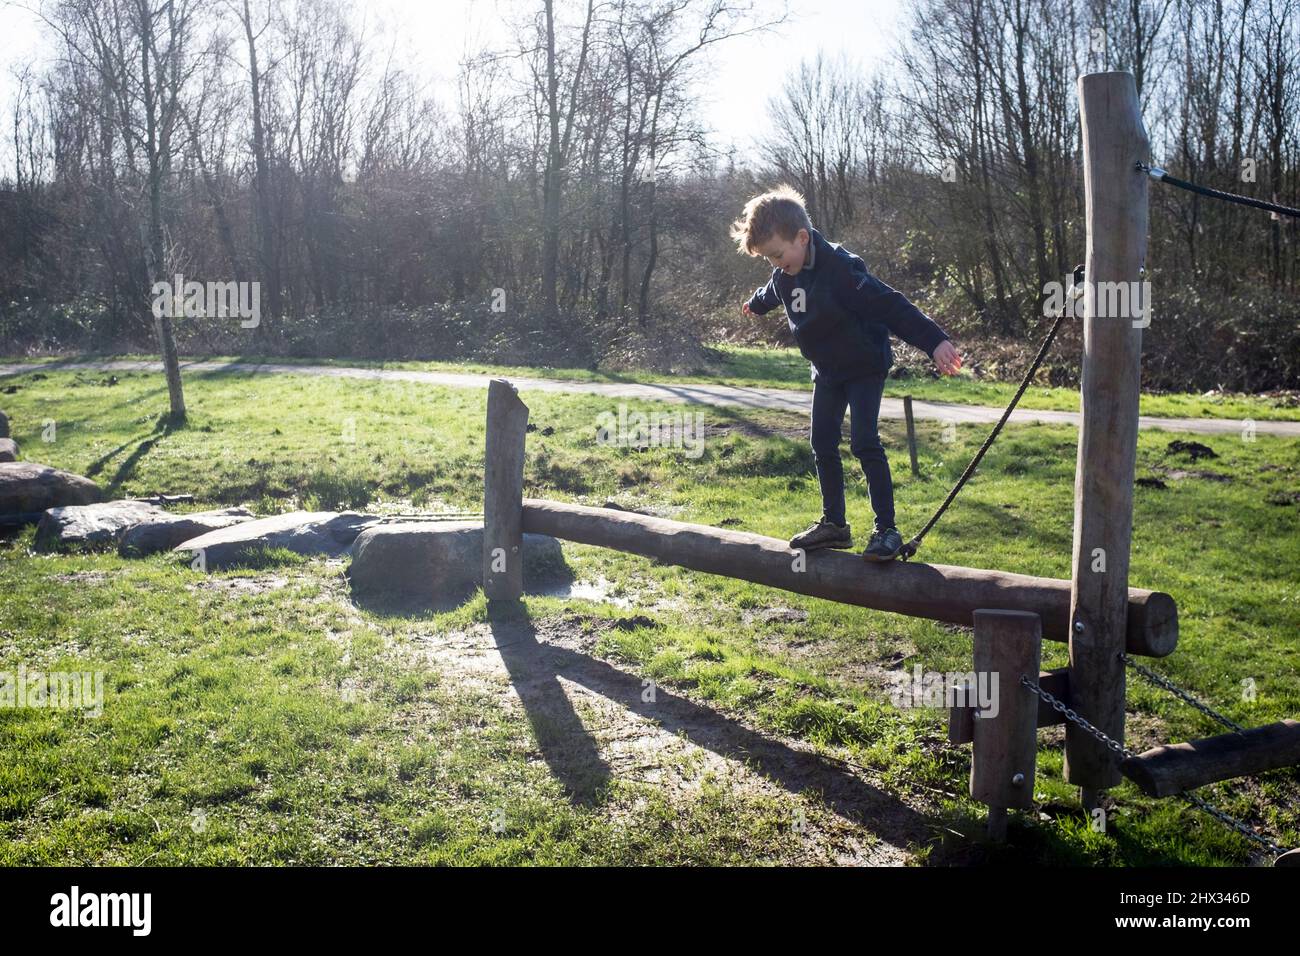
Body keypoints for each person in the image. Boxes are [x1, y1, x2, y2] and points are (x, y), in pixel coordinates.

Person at [731, 184, 963, 561]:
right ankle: (834, 524)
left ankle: (886, 529)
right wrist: (755, 305)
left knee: (864, 441)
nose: (776, 264)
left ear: (802, 238)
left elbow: (891, 306)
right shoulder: (784, 274)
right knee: (822, 442)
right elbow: (772, 291)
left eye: (777, 255)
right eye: (769, 260)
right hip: (826, 369)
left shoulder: (841, 269)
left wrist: (934, 341)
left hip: (864, 365)